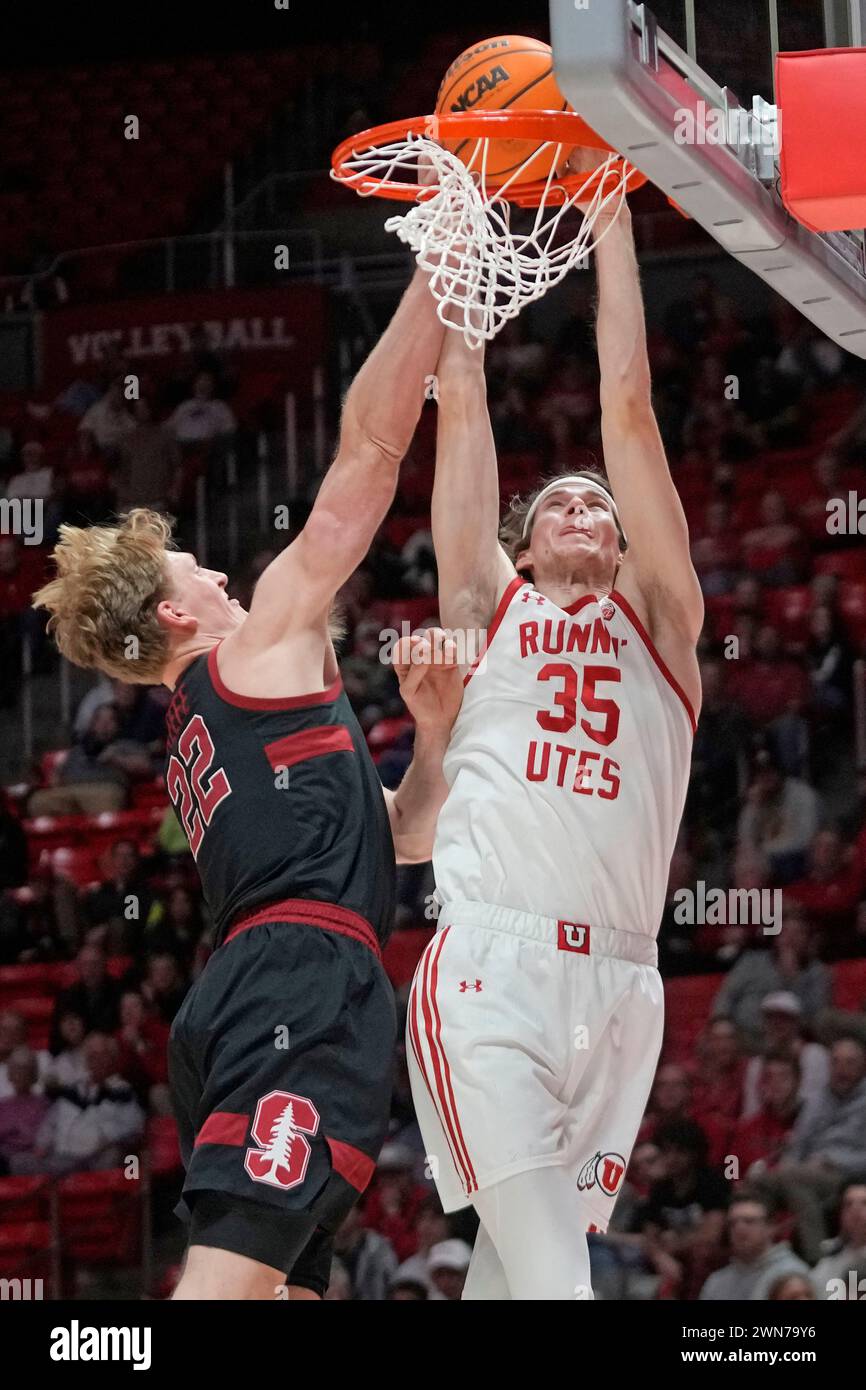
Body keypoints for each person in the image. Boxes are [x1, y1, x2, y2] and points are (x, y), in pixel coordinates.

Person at [33, 266, 457, 1300]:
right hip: (295, 983)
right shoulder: (252, 654)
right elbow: (367, 454)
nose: (218, 574)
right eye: (193, 572)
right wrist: (437, 279)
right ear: (175, 617)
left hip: (276, 976)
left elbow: (399, 839)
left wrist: (436, 732)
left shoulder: (208, 726)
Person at [409, 196, 704, 1299]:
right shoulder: (487, 608)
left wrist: (611, 221)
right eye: (556, 506)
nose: (579, 508)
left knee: (508, 1277)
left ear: (627, 544)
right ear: (520, 550)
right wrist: (462, 276)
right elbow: (465, 406)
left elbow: (625, 408)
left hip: (621, 986)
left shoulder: (664, 625)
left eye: (597, 507)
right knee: (555, 1285)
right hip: (493, 966)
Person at [698, 1193, 809, 1300]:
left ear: (770, 1227)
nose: (739, 1228)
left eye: (749, 1221)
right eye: (733, 1223)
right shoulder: (716, 1281)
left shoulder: (794, 1275)